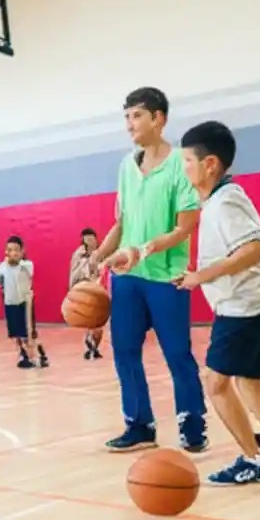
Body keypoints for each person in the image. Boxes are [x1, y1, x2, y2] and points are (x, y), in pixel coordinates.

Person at [175, 120, 260, 485]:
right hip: (256, 302)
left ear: (210, 165)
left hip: (246, 307)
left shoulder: (226, 201)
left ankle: (253, 458)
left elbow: (254, 249)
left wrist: (202, 277)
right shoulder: (221, 199)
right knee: (249, 380)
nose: (182, 167)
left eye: (187, 160)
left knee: (217, 384)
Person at [89, 87, 208, 453]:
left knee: (177, 354)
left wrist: (144, 250)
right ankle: (139, 424)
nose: (129, 125)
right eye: (126, 117)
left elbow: (185, 226)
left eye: (136, 116)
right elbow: (121, 224)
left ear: (159, 118)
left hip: (165, 278)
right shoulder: (127, 166)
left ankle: (192, 423)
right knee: (124, 350)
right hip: (127, 279)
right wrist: (97, 257)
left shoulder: (182, 165)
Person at [0, 236, 48, 369]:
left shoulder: (26, 265)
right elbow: (0, 280)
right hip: (10, 303)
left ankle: (40, 355)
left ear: (22, 251)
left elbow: (26, 271)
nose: (13, 253)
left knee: (29, 333)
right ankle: (23, 354)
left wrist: (12, 261)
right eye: (9, 250)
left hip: (24, 304)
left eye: (16, 250)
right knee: (16, 334)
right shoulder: (3, 267)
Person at [70, 228, 105, 360]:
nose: (90, 242)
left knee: (99, 325)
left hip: (100, 291)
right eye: (87, 240)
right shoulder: (78, 256)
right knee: (92, 322)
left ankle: (94, 345)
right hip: (86, 291)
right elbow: (73, 275)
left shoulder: (102, 253)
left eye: (92, 239)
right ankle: (90, 345)